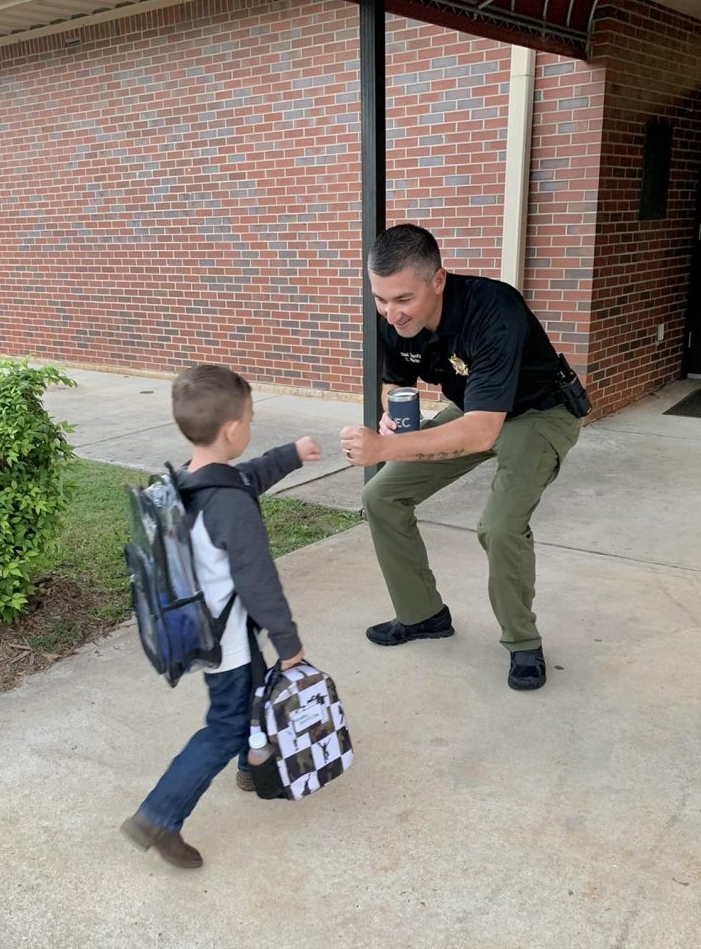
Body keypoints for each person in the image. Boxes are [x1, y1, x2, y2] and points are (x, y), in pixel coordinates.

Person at [340, 224, 585, 691]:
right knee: (381, 496)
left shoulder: (493, 310)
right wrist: (391, 413)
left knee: (499, 525)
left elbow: (479, 432)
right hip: (477, 405)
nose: (391, 313)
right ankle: (423, 615)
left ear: (438, 281)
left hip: (539, 411)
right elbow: (395, 381)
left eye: (403, 300)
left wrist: (384, 446)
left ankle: (522, 643)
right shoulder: (394, 318)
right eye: (381, 299)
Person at [121, 364, 321, 868]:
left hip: (197, 628)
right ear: (233, 430)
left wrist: (292, 455)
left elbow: (245, 477)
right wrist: (288, 642)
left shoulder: (188, 483)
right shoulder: (231, 506)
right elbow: (259, 584)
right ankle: (158, 816)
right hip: (226, 641)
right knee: (226, 725)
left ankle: (253, 767)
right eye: (250, 419)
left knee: (253, 691)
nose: (250, 428)